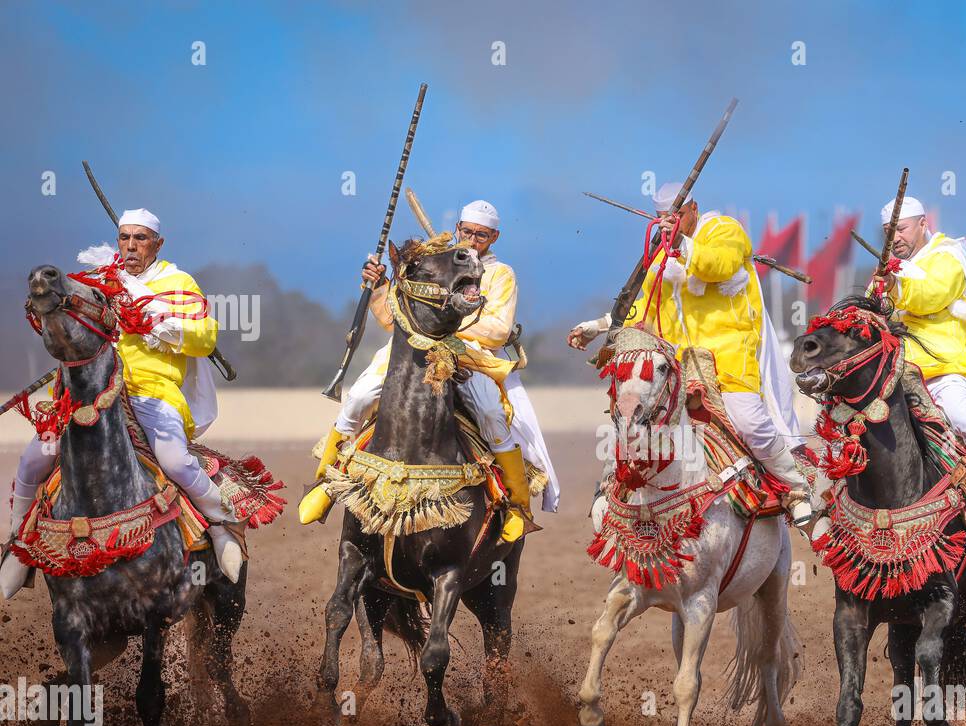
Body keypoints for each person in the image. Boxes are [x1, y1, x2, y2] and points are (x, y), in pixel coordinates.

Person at [2, 208, 242, 599]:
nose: (131, 245)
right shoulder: (101, 279)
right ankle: (19, 542)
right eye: (125, 237)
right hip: (88, 395)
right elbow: (70, 314)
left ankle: (220, 524)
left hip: (151, 393)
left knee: (174, 461)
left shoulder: (178, 283)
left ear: (157, 244)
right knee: (33, 459)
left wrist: (156, 322)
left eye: (140, 238)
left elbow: (205, 337)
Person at [299, 200, 557, 542]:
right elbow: (394, 317)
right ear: (458, 228)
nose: (472, 239)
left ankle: (515, 504)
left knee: (491, 413)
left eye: (481, 235)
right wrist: (379, 285)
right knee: (359, 397)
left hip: (469, 356)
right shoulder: (435, 263)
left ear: (494, 237)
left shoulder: (501, 274)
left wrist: (448, 320)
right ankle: (326, 482)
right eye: (467, 231)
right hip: (412, 348)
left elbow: (497, 330)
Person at [567, 182, 812, 531]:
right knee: (633, 413)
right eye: (662, 218)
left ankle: (796, 488)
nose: (670, 223)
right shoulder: (662, 257)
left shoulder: (724, 230)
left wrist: (681, 244)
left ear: (693, 209)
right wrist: (598, 326)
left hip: (729, 358)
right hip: (678, 367)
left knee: (750, 423)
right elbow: (644, 307)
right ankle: (611, 492)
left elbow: (718, 264)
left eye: (677, 215)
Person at [875, 196, 966, 527]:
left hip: (944, 370)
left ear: (923, 223)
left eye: (901, 229)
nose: (894, 238)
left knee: (964, 419)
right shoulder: (890, 273)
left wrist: (894, 285)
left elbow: (931, 294)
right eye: (887, 232)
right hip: (896, 374)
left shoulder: (948, 256)